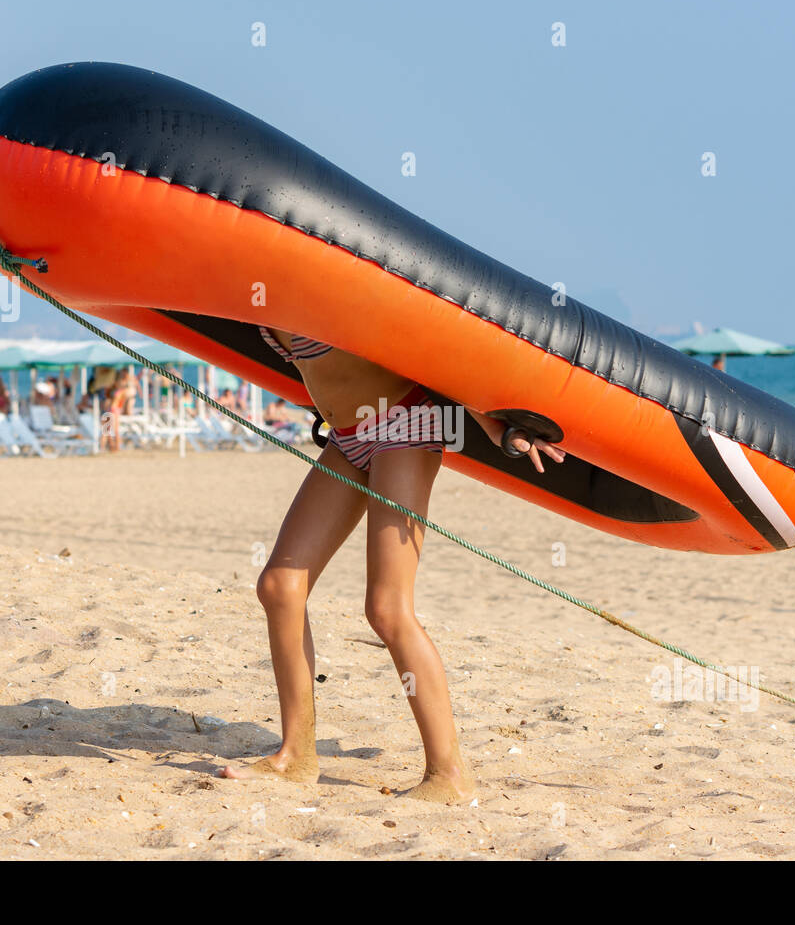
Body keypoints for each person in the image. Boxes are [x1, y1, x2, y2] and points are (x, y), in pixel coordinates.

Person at [215, 326, 565, 803]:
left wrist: (496, 426)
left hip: (405, 424)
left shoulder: (318, 270)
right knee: (279, 586)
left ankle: (450, 774)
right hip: (346, 438)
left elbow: (426, 341)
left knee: (387, 608)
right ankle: (296, 756)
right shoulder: (253, 297)